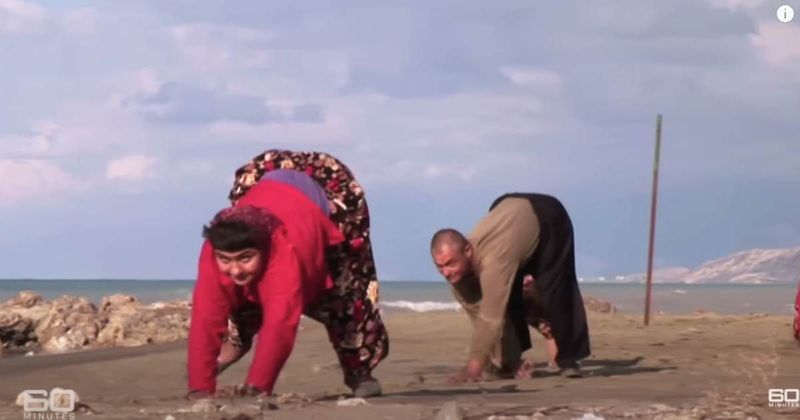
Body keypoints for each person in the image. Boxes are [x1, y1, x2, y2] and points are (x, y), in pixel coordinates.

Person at [187, 150, 389, 398]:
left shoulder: (282, 252)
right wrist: (199, 387)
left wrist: (257, 388)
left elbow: (280, 323)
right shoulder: (216, 245)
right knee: (238, 289)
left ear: (262, 250)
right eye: (225, 259)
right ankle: (235, 344)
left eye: (245, 258)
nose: (235, 268)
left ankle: (358, 372)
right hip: (265, 172)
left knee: (346, 294)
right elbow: (205, 319)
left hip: (329, 190)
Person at [430, 193, 590, 383]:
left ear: (468, 251)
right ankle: (513, 361)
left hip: (548, 217)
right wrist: (503, 361)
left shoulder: (493, 262)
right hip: (507, 210)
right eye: (439, 266)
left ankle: (569, 360)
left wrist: (473, 369)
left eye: (450, 264)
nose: (446, 272)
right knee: (506, 300)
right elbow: (478, 315)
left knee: (556, 291)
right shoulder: (458, 271)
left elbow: (490, 318)